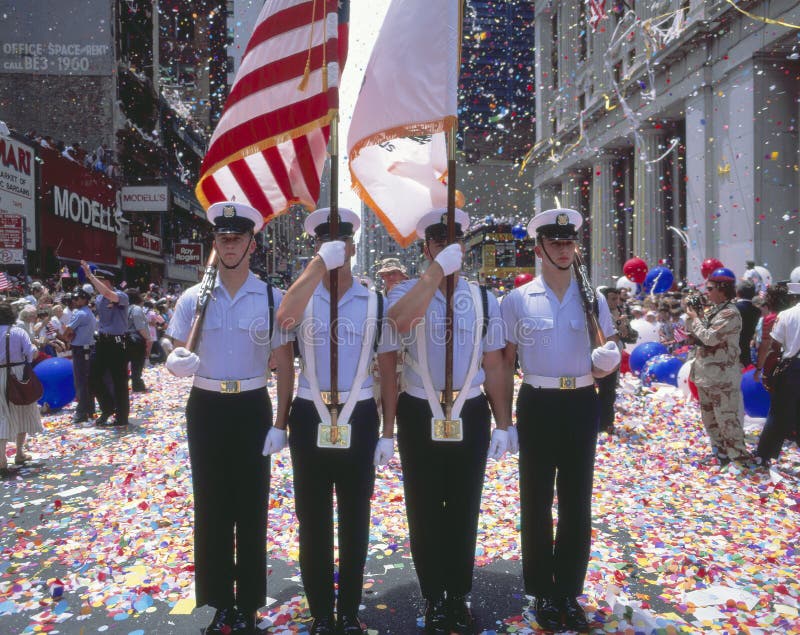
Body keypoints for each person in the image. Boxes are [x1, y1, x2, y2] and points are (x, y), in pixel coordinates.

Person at [165, 201, 294, 635]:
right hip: (206, 407)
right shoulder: (192, 297)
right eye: (223, 238)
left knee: (251, 505)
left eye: (238, 237)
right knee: (212, 506)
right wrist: (174, 360)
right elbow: (177, 346)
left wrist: (280, 422)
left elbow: (284, 362)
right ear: (215, 243)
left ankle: (250, 602)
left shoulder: (272, 297)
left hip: (252, 405)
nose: (231, 244)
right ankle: (220, 600)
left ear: (252, 244)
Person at [386, 208, 512, 634]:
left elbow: (495, 365)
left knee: (462, 507)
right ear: (427, 246)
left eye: (453, 239)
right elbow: (400, 323)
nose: (446, 245)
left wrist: (503, 422)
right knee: (423, 507)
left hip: (469, 412)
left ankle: (457, 592)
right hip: (420, 410)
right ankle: (433, 594)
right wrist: (435, 274)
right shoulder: (406, 289)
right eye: (438, 239)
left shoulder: (482, 297)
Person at [273, 208, 396, 635]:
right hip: (310, 415)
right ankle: (321, 610)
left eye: (343, 243)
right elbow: (283, 320)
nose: (337, 249)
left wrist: (387, 431)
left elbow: (388, 367)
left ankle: (348, 610)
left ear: (354, 247)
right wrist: (280, 419)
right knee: (313, 518)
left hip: (359, 415)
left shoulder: (373, 300)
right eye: (327, 243)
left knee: (355, 517)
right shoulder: (301, 296)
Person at [500, 208, 619, 633]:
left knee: (575, 500)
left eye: (569, 242)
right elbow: (504, 359)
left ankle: (568, 589)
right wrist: (502, 420)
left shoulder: (593, 298)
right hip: (538, 401)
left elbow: (607, 351)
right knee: (536, 500)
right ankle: (542, 591)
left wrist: (608, 362)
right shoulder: (516, 300)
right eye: (555, 242)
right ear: (539, 249)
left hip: (580, 401)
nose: (564, 249)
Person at [685, 267, 747, 465]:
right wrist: (692, 318)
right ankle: (720, 454)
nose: (707, 292)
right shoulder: (713, 310)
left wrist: (696, 319)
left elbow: (710, 338)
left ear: (722, 289)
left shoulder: (730, 313)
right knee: (710, 419)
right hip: (706, 374)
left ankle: (738, 457)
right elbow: (697, 334)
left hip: (722, 377)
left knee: (727, 419)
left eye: (710, 288)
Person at [754, 282, 800, 465]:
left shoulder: (787, 315)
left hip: (792, 368)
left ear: (793, 297)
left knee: (778, 413)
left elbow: (774, 345)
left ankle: (764, 455)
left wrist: (765, 370)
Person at [82, 264, 130, 428]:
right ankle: (108, 407)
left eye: (100, 281)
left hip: (118, 341)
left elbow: (108, 293)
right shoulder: (99, 299)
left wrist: (91, 276)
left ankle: (122, 416)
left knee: (119, 380)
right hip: (103, 340)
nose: (96, 284)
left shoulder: (121, 295)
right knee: (93, 378)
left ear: (108, 281)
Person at [0, 302, 44, 476]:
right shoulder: (18, 332)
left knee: (2, 414)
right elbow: (32, 353)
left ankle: (2, 460)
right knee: (23, 410)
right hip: (18, 374)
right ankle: (19, 453)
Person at [62, 289, 97, 424]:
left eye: (77, 299)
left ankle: (82, 412)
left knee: (81, 382)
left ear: (84, 299)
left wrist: (67, 339)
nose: (74, 301)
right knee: (86, 381)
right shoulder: (87, 312)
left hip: (81, 350)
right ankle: (89, 409)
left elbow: (67, 332)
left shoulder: (81, 313)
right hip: (85, 349)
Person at [125, 289, 150, 392]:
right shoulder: (136, 309)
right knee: (137, 364)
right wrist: (148, 338)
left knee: (124, 364)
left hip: (124, 339)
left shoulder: (124, 308)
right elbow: (140, 327)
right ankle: (137, 384)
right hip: (136, 341)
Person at [735, 281, 760, 368]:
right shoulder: (758, 311)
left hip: (733, 354)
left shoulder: (733, 308)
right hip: (749, 353)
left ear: (738, 293)